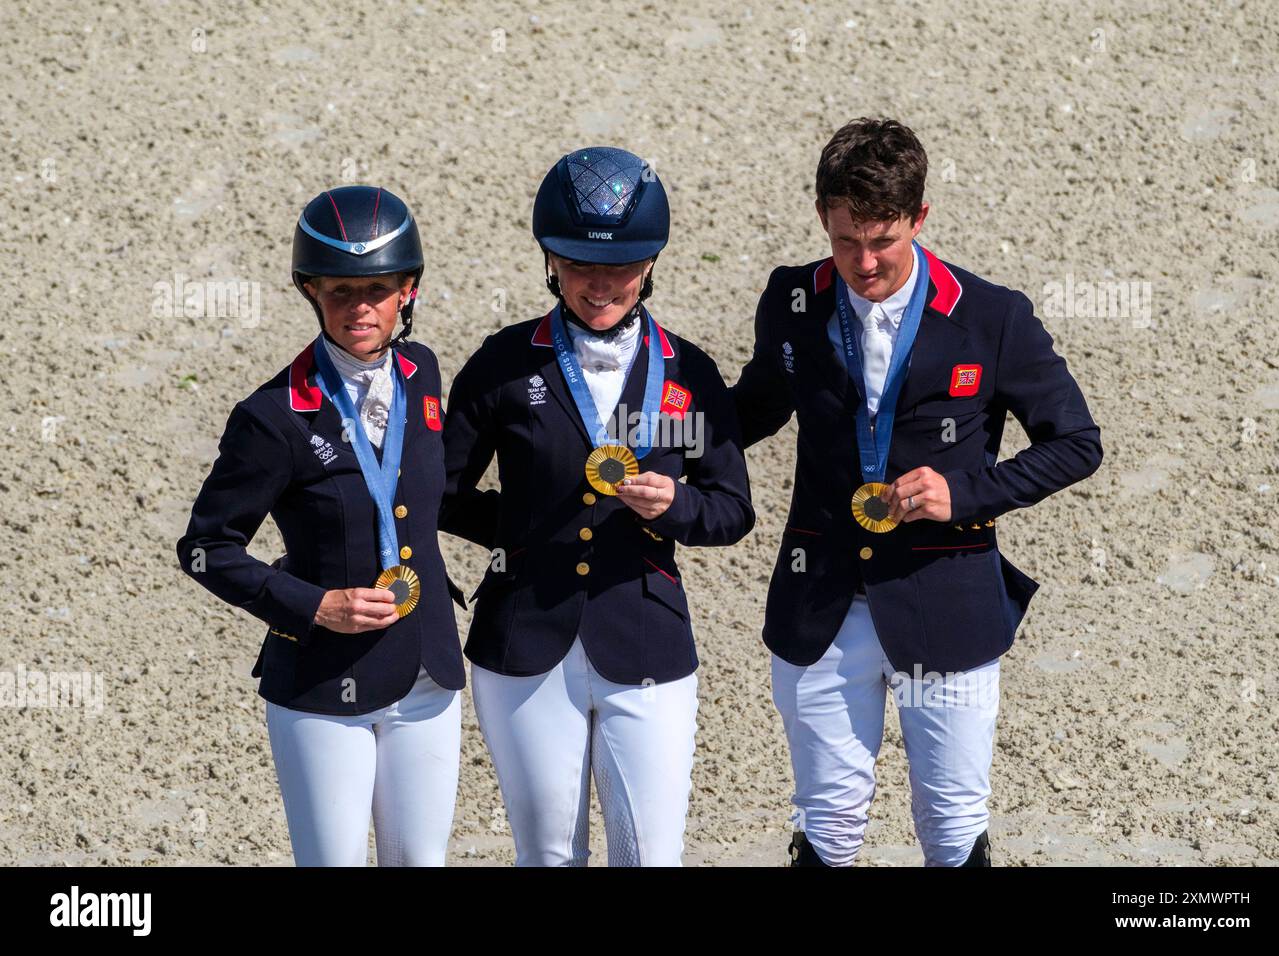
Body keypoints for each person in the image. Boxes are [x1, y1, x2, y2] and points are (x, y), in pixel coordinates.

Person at [731, 118, 1103, 867]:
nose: (863, 263)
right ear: (821, 218)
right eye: (845, 241)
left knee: (952, 823)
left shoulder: (993, 316)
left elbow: (1077, 445)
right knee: (827, 824)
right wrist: (656, 439)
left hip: (946, 593)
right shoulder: (792, 299)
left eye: (882, 242)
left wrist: (965, 493)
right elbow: (752, 412)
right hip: (824, 601)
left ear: (920, 219)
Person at [440, 146, 754, 866]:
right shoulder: (502, 364)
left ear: (648, 265)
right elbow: (444, 494)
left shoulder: (689, 373)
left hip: (646, 635)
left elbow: (731, 509)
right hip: (523, 642)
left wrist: (676, 506)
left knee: (650, 855)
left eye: (620, 267)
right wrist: (521, 531)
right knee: (549, 855)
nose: (600, 284)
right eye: (580, 265)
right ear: (551, 261)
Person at [176, 186, 465, 866]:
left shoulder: (423, 374)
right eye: (339, 291)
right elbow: (204, 550)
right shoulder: (272, 416)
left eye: (376, 290)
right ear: (311, 292)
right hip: (320, 687)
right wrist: (315, 605)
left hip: (426, 675)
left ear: (407, 290)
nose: (359, 308)